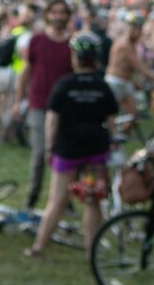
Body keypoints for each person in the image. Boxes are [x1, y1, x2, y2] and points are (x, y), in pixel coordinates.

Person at [24, 33, 119, 257]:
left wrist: (49, 147)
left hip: (68, 151)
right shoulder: (103, 85)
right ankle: (91, 252)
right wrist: (113, 141)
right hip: (95, 151)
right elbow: (111, 121)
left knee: (57, 201)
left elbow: (52, 120)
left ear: (75, 57)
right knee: (92, 201)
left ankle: (38, 247)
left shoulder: (64, 85)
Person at [15, 0, 75, 208]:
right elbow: (26, 70)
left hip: (65, 107)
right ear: (48, 15)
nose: (58, 16)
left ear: (68, 16)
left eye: (62, 12)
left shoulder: (72, 43)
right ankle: (32, 198)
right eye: (54, 12)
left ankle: (65, 201)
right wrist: (18, 100)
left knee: (65, 154)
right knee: (40, 153)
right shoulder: (37, 40)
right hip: (40, 103)